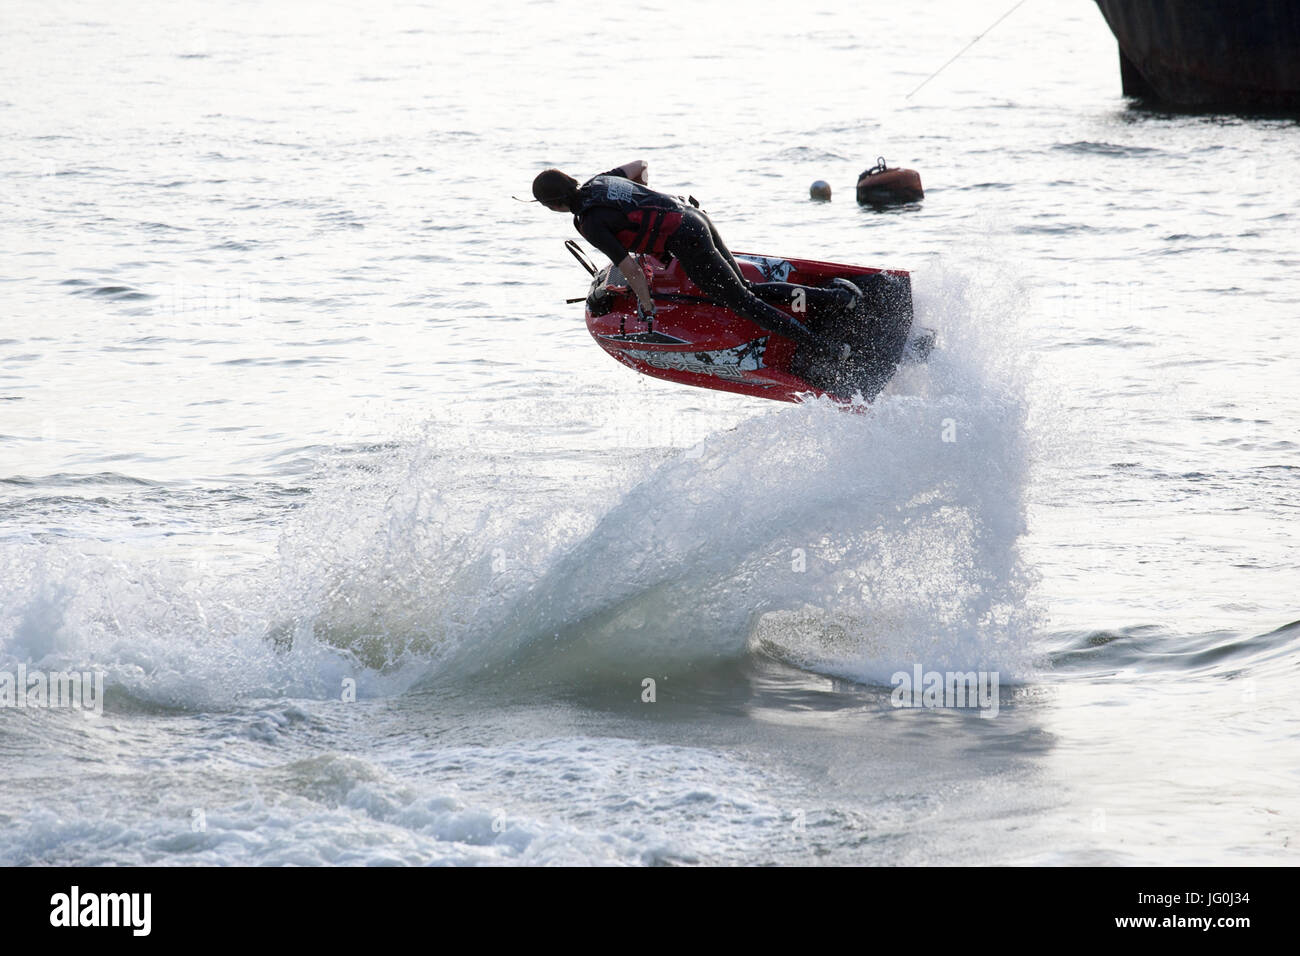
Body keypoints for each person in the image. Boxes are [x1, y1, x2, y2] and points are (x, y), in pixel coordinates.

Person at [531, 162, 859, 358]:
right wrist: (641, 202)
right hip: (694, 218)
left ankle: (825, 347)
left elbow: (630, 269)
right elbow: (640, 166)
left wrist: (646, 305)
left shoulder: (589, 222)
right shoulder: (600, 181)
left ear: (554, 205)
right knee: (743, 288)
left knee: (743, 302)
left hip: (686, 240)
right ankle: (837, 298)